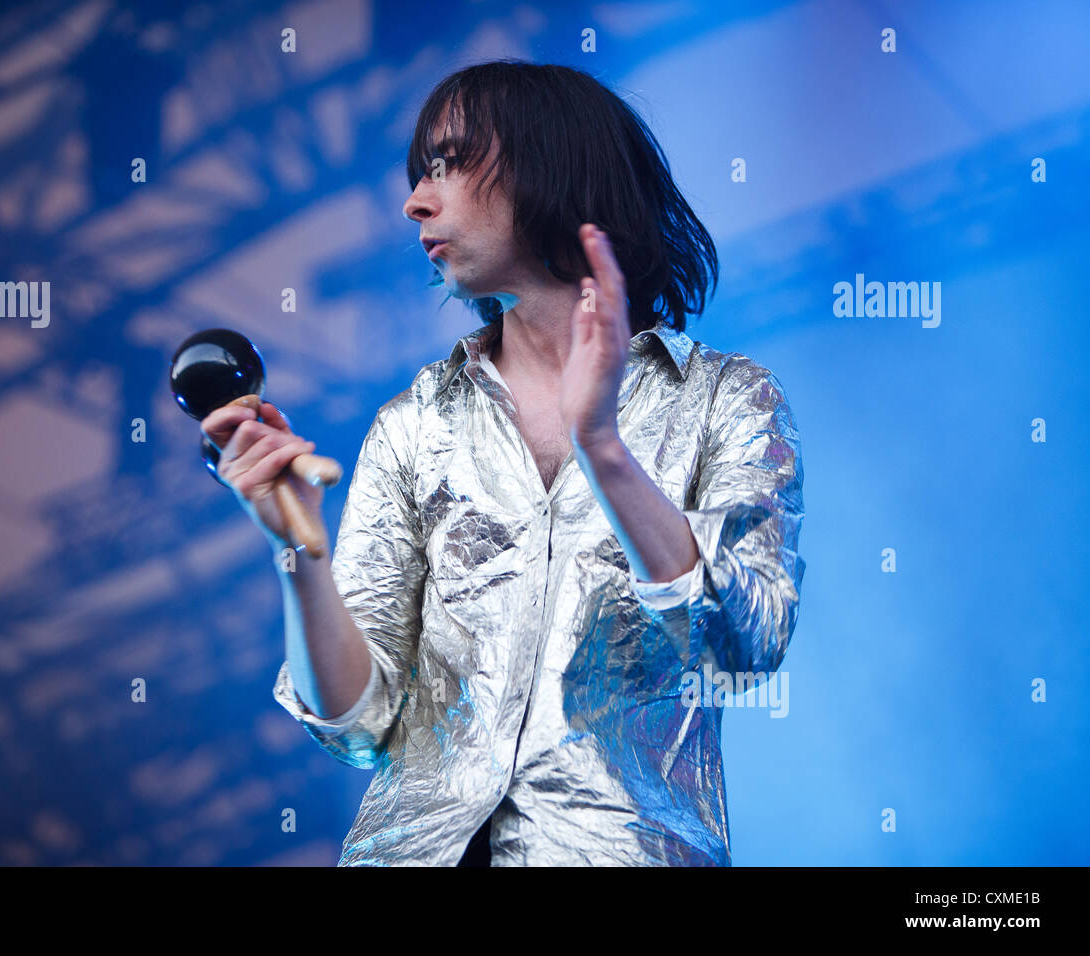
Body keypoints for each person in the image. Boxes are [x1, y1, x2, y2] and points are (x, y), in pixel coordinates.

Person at [201, 60, 806, 866]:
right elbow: (356, 724)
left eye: (449, 164)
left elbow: (744, 643)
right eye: (421, 173)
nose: (416, 200)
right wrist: (299, 555)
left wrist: (602, 447)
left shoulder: (727, 400)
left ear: (551, 165)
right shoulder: (414, 424)